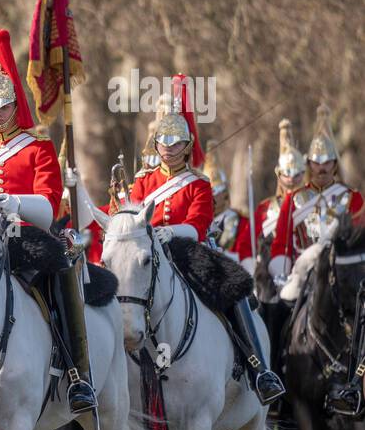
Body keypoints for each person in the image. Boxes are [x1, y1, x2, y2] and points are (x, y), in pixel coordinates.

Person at [0, 28, 96, 414]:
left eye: (4, 106)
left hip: (27, 239)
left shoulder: (37, 146)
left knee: (59, 272)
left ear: (15, 104)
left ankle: (76, 373)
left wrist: (14, 201)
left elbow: (50, 205)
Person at [130, 76, 282, 404]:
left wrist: (172, 231)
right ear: (156, 145)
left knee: (233, 286)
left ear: (186, 147)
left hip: (187, 251)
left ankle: (258, 367)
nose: (168, 149)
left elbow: (198, 225)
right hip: (149, 253)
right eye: (163, 143)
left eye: (175, 144)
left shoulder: (198, 184)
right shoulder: (143, 181)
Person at [268, 106, 364, 414]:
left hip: (344, 275)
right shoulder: (296, 199)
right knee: (277, 309)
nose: (321, 169)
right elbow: (281, 245)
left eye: (327, 163)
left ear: (335, 164)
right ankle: (271, 376)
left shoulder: (352, 198)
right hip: (303, 273)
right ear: (308, 164)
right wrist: (281, 272)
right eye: (316, 163)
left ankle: (358, 386)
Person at [203, 142, 254, 272]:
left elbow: (246, 257)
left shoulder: (241, 221)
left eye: (215, 191)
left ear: (225, 192)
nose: (212, 196)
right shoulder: (199, 220)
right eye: (208, 192)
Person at [255, 119, 306, 247]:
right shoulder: (265, 208)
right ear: (279, 174)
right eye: (287, 174)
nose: (291, 179)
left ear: (304, 173)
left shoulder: (316, 201)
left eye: (297, 174)